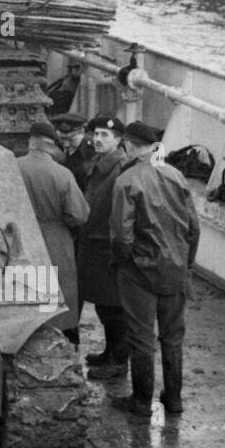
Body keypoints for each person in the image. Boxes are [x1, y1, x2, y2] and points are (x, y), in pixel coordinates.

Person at [109, 121, 201, 418]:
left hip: (140, 272)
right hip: (175, 268)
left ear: (129, 146)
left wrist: (125, 263)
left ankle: (141, 400)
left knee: (141, 336)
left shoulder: (126, 181)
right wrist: (186, 263)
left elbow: (121, 235)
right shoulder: (176, 175)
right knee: (173, 336)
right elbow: (194, 227)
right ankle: (173, 399)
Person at [16, 119, 89, 344]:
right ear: (51, 145)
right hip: (54, 238)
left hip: (18, 238)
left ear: (31, 142)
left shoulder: (11, 166)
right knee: (57, 297)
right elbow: (79, 214)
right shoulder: (62, 173)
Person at [78, 115, 130, 377]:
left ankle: (119, 362)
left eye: (104, 136)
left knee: (114, 305)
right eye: (96, 134)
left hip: (108, 243)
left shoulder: (120, 167)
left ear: (119, 140)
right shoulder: (99, 162)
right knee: (103, 303)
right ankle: (110, 352)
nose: (97, 139)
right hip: (95, 242)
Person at [52, 113, 94, 191]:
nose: (66, 144)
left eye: (72, 140)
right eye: (62, 139)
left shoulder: (91, 152)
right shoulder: (55, 148)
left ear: (82, 133)